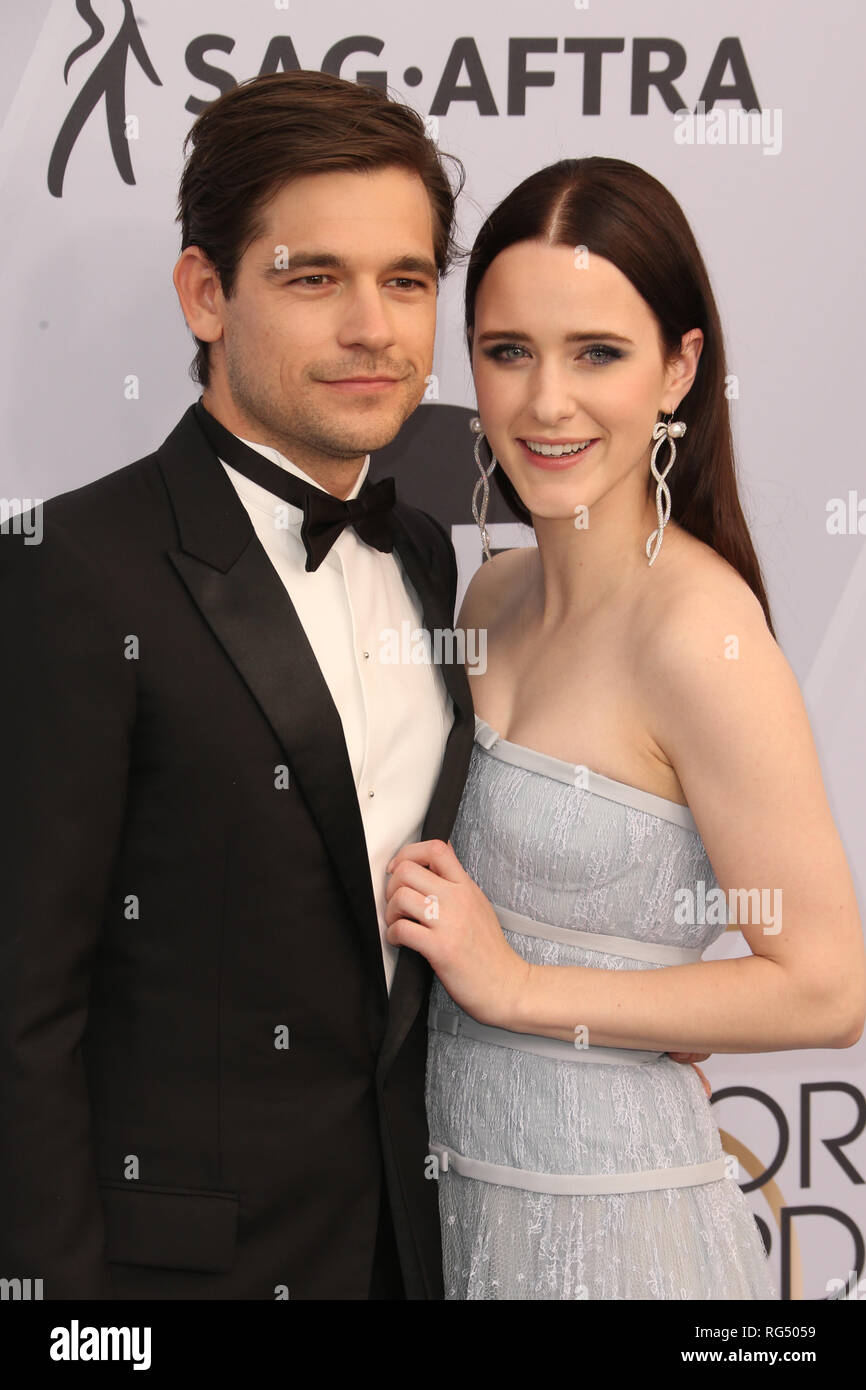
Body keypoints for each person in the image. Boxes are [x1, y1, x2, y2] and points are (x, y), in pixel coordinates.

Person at [0, 70, 477, 1300]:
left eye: (407, 280)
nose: (373, 326)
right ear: (206, 293)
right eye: (312, 276)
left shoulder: (422, 549)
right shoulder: (68, 573)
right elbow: (21, 1012)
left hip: (411, 1254)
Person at [384, 157, 866, 1299]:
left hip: (613, 1234)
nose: (545, 402)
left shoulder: (698, 634)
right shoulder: (488, 594)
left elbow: (825, 988)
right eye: (508, 352)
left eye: (595, 352)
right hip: (455, 1207)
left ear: (677, 369)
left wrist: (517, 987)